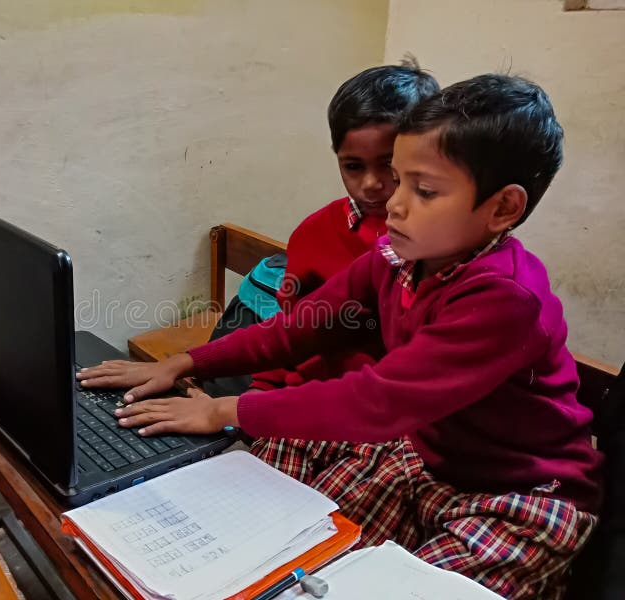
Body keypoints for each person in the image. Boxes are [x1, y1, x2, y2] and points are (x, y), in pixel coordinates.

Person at [78, 74, 603, 599]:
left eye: (423, 191)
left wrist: (223, 410)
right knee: (279, 544)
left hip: (517, 494)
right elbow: (298, 327)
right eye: (399, 180)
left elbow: (378, 401)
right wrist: (185, 363)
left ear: (503, 209)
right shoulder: (397, 258)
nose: (392, 204)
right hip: (423, 456)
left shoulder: (504, 297)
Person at [249, 58, 439, 392]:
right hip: (308, 399)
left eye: (388, 165)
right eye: (353, 166)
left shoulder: (442, 244)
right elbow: (289, 331)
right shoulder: (313, 234)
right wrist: (258, 393)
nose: (370, 183)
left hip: (389, 416)